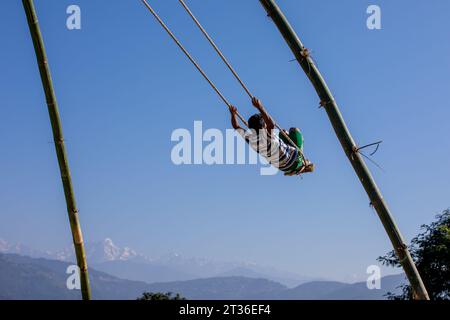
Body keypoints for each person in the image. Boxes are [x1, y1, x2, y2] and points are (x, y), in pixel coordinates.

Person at [229, 97, 313, 175]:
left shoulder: (251, 140)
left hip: (282, 167)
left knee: (282, 133)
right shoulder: (267, 135)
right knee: (294, 130)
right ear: (263, 127)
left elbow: (236, 126)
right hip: (294, 160)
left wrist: (233, 114)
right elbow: (271, 124)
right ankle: (302, 164)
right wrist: (259, 107)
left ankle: (296, 167)